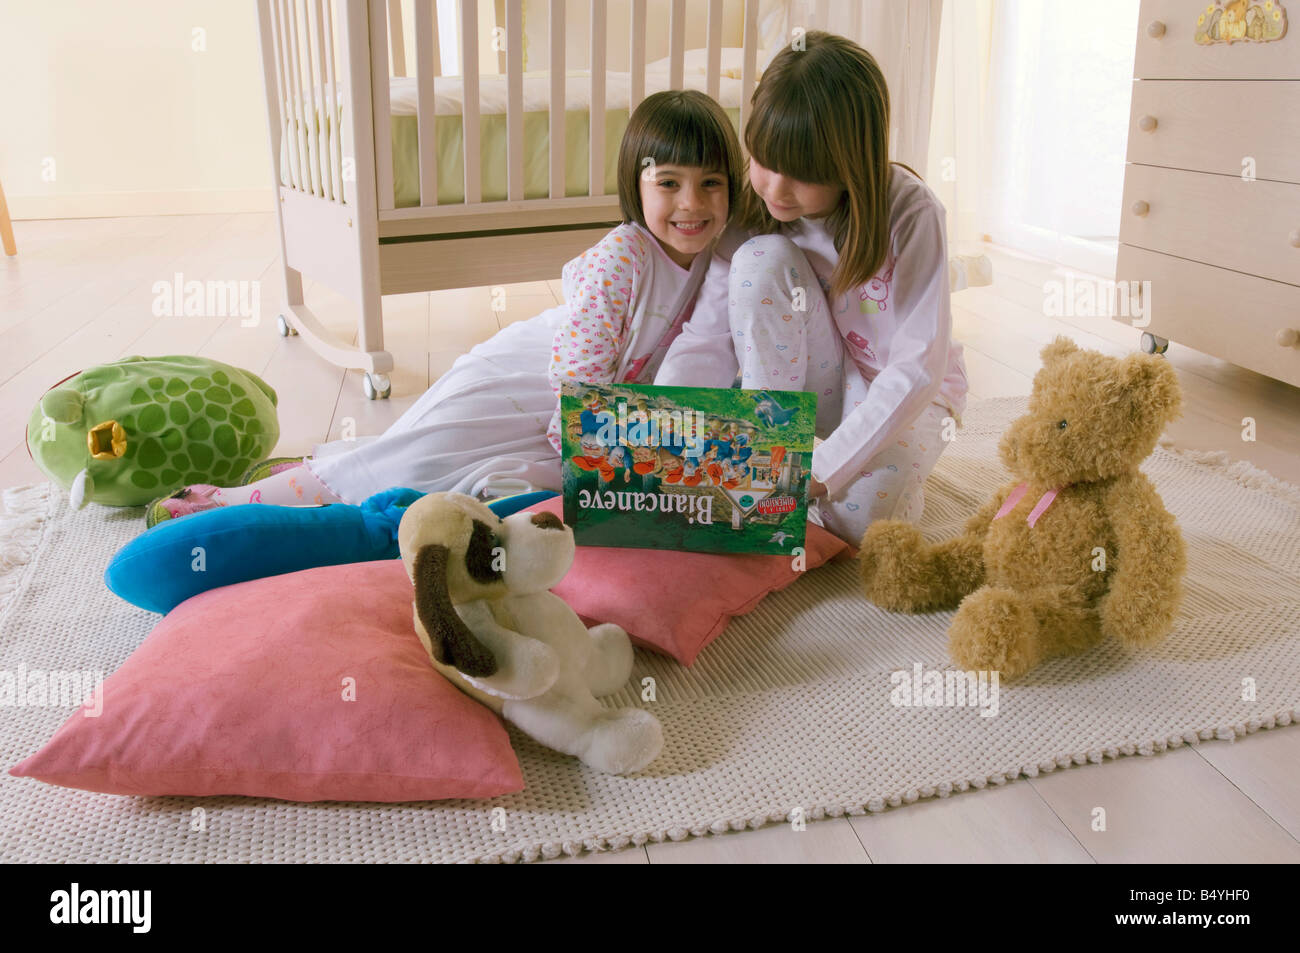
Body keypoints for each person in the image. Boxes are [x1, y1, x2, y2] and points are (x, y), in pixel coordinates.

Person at [147, 89, 743, 525]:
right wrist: (599, 462)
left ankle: (304, 473)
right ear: (635, 184)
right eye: (668, 183)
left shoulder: (719, 255)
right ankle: (228, 505)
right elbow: (574, 381)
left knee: (463, 478)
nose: (691, 203)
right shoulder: (621, 260)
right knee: (419, 457)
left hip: (586, 408)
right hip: (526, 378)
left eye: (711, 183)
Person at [655, 31, 968, 545]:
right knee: (762, 260)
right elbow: (707, 337)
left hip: (909, 396)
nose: (776, 189)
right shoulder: (752, 212)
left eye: (803, 174)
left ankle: (841, 480)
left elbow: (916, 368)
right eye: (764, 159)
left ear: (851, 164)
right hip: (821, 380)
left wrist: (821, 472)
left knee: (860, 527)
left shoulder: (911, 213)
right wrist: (659, 419)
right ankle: (767, 454)